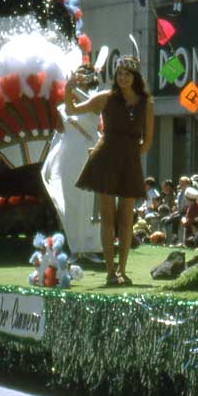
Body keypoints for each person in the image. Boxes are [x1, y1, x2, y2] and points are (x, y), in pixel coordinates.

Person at [67, 55, 153, 286]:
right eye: (120, 73)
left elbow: (147, 141)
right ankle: (110, 272)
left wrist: (130, 156)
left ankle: (122, 269)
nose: (123, 78)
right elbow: (72, 109)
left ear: (135, 77)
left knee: (126, 218)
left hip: (130, 161)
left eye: (127, 74)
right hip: (105, 158)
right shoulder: (105, 97)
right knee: (107, 216)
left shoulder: (146, 102)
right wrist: (69, 88)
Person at [41, 62, 103, 265]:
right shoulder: (63, 107)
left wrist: (73, 87)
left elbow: (89, 104)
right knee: (72, 201)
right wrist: (51, 161)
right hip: (69, 158)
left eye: (85, 75)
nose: (81, 77)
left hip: (90, 154)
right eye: (78, 74)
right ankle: (76, 248)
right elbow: (59, 135)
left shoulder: (96, 100)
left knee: (91, 202)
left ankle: (92, 247)